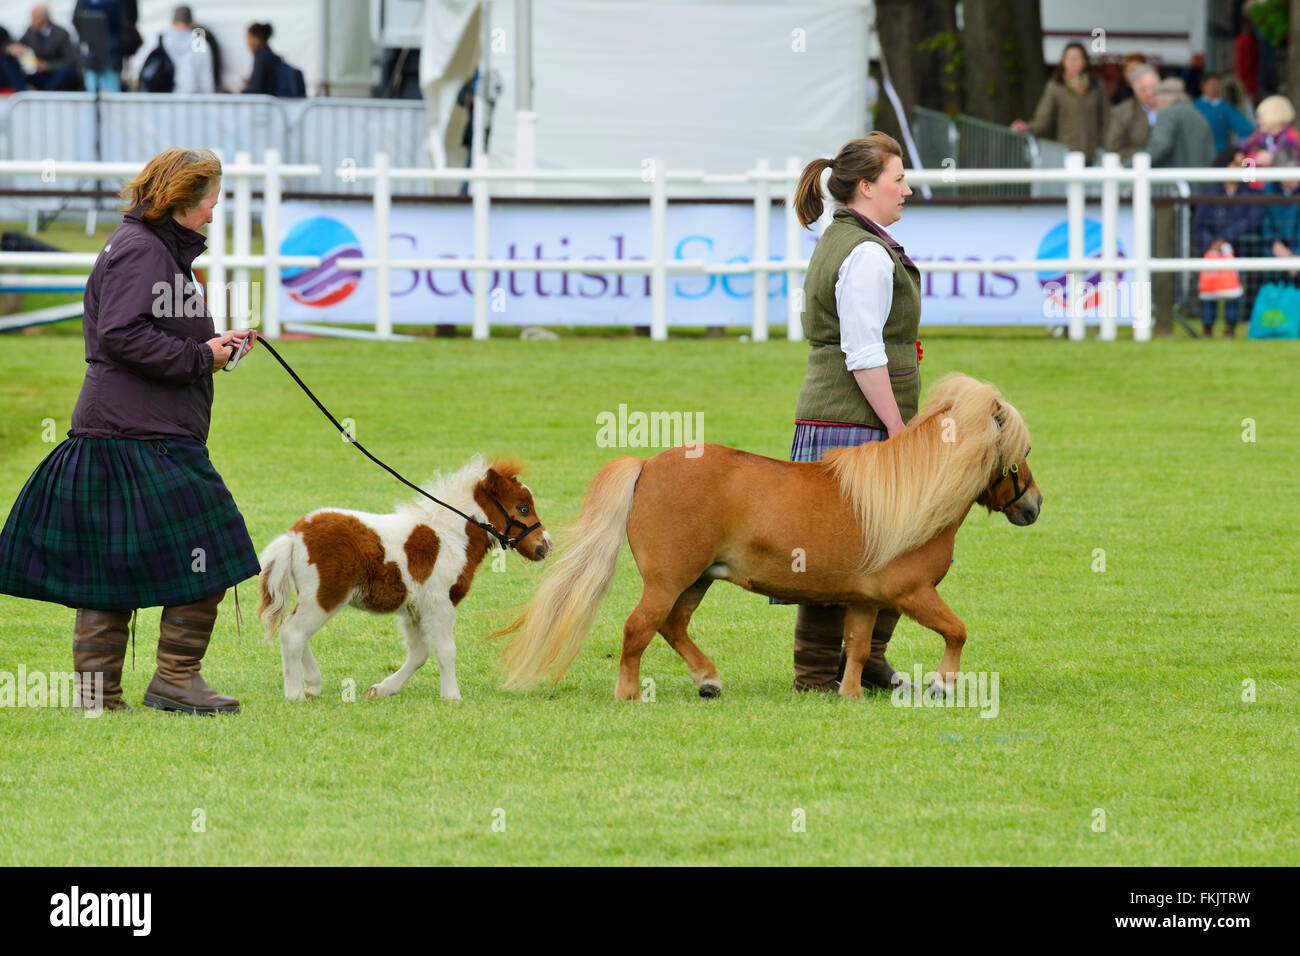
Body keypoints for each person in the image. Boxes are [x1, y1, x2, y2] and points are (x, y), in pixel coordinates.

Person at [0, 147, 259, 714]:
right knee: (211, 548)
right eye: (213, 200)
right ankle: (173, 680)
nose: (216, 213)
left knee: (112, 564)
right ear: (186, 200)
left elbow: (143, 331)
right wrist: (200, 359)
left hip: (128, 429)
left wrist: (215, 348)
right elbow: (121, 334)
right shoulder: (144, 251)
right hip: (140, 434)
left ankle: (102, 693)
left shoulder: (147, 247)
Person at [787, 132, 921, 694]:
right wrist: (895, 427)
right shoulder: (864, 253)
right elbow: (863, 351)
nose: (907, 190)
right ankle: (819, 672)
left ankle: (860, 662)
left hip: (836, 417)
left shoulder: (845, 238)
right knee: (838, 553)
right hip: (854, 421)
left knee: (867, 546)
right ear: (867, 188)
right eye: (897, 180)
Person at [1193, 146, 1262, 337]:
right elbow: (1198, 225)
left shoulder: (1250, 194)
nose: (1239, 168)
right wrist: (1213, 243)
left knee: (1235, 279)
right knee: (1210, 277)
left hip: (1239, 247)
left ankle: (1231, 325)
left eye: (1243, 164)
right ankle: (1208, 325)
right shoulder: (1210, 194)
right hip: (1212, 250)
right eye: (1235, 164)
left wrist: (1225, 239)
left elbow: (1251, 220)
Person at [1010, 42, 1108, 160]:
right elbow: (1043, 118)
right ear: (1063, 61)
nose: (1072, 62)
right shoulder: (1055, 86)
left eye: (1076, 58)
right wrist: (1028, 127)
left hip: (1094, 152)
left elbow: (1106, 118)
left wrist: (1106, 145)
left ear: (1085, 61)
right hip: (1068, 152)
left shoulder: (1096, 86)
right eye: (1068, 58)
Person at [1146, 77, 1215, 169]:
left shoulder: (1167, 113)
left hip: (1177, 180)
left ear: (1162, 99)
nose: (1155, 108)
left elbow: (1159, 147)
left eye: (1156, 103)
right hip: (1201, 179)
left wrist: (1130, 165)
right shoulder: (1197, 114)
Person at [8, 3, 79, 91]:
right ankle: (23, 90)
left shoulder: (61, 33)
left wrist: (47, 66)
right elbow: (18, 44)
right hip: (36, 73)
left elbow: (70, 61)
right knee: (8, 62)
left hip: (54, 74)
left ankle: (47, 93)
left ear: (44, 19)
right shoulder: (30, 32)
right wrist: (13, 49)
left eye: (34, 18)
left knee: (66, 71)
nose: (32, 21)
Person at [1104, 64, 1159, 162]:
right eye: (1144, 89)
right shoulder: (1122, 112)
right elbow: (1112, 148)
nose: (1150, 93)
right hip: (1134, 170)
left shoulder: (1170, 108)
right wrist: (1146, 154)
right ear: (1135, 91)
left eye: (1153, 87)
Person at [1194, 73, 1255, 154]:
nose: (1214, 88)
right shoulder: (1194, 106)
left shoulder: (1225, 108)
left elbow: (1244, 127)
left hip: (1219, 153)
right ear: (1202, 86)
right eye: (1211, 84)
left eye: (1217, 85)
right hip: (1196, 153)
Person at [161, 5, 213, 94]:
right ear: (192, 21)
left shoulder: (160, 40)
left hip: (163, 98)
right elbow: (206, 78)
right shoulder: (199, 43)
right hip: (191, 99)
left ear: (172, 21)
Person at [242, 21, 279, 94]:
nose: (248, 43)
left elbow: (256, 88)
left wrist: (241, 92)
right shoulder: (269, 55)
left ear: (256, 39)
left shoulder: (261, 57)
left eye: (249, 38)